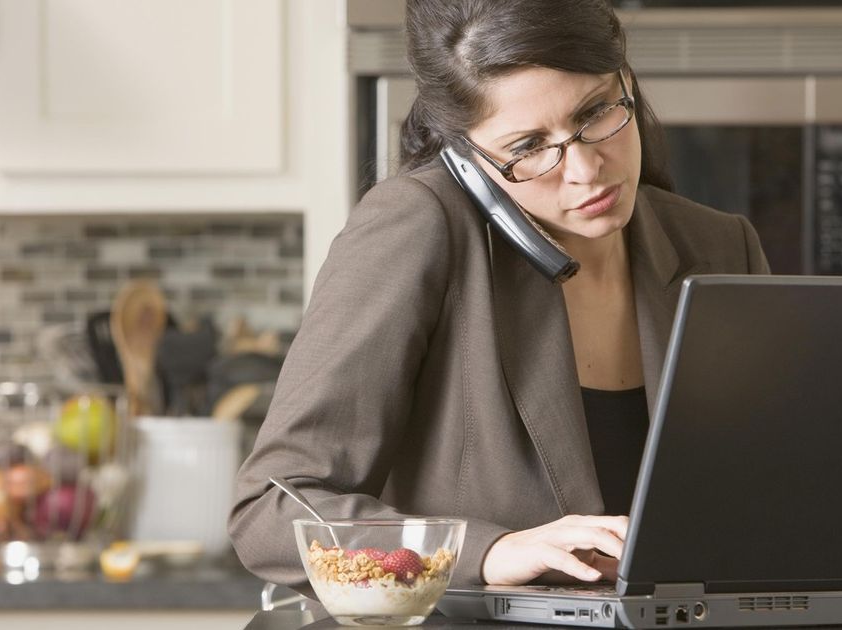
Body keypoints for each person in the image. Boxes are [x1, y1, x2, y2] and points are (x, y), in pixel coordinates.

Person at [229, 0, 770, 591]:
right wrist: (487, 553)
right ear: (466, 155)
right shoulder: (417, 226)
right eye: (528, 147)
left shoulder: (719, 245)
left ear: (628, 84)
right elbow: (271, 511)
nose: (586, 168)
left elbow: (776, 488)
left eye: (596, 112)